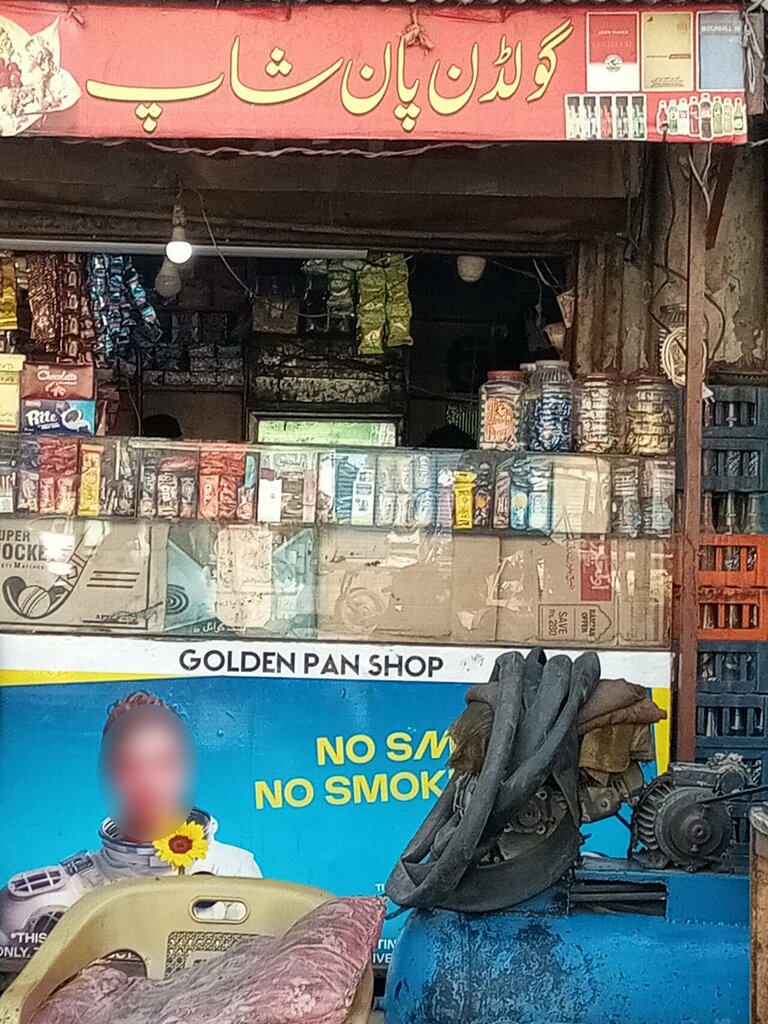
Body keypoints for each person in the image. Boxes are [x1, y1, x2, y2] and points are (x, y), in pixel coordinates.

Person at [0, 692, 260, 955]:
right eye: (130, 766)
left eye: (165, 764)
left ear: (186, 772)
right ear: (108, 776)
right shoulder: (46, 901)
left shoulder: (237, 872)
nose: (149, 784)